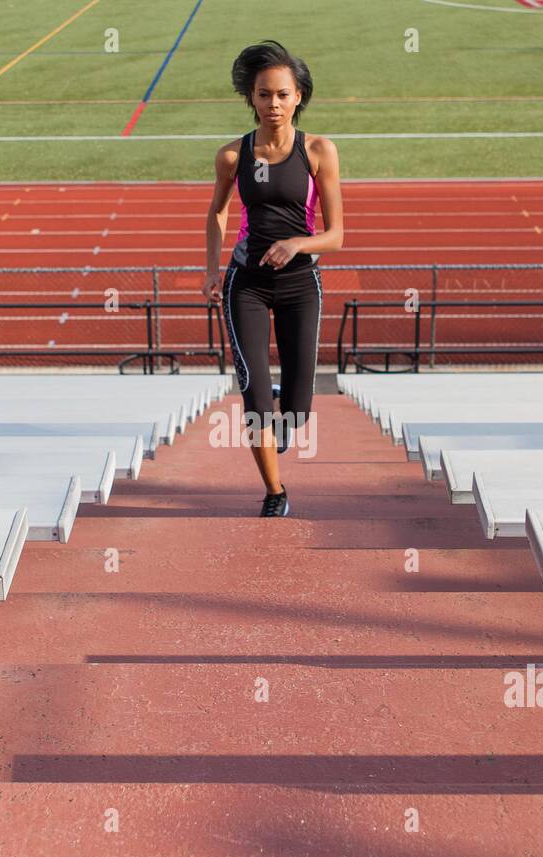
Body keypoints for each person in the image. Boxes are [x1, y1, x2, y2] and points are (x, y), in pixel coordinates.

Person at [202, 40, 344, 517]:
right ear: (251, 97)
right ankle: (275, 491)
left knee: (298, 410)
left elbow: (337, 235)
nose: (274, 104)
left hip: (301, 284)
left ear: (298, 96)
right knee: (255, 398)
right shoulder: (232, 155)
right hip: (246, 283)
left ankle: (286, 404)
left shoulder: (319, 151)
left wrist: (297, 244)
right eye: (264, 95)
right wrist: (210, 269)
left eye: (283, 94)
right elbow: (217, 213)